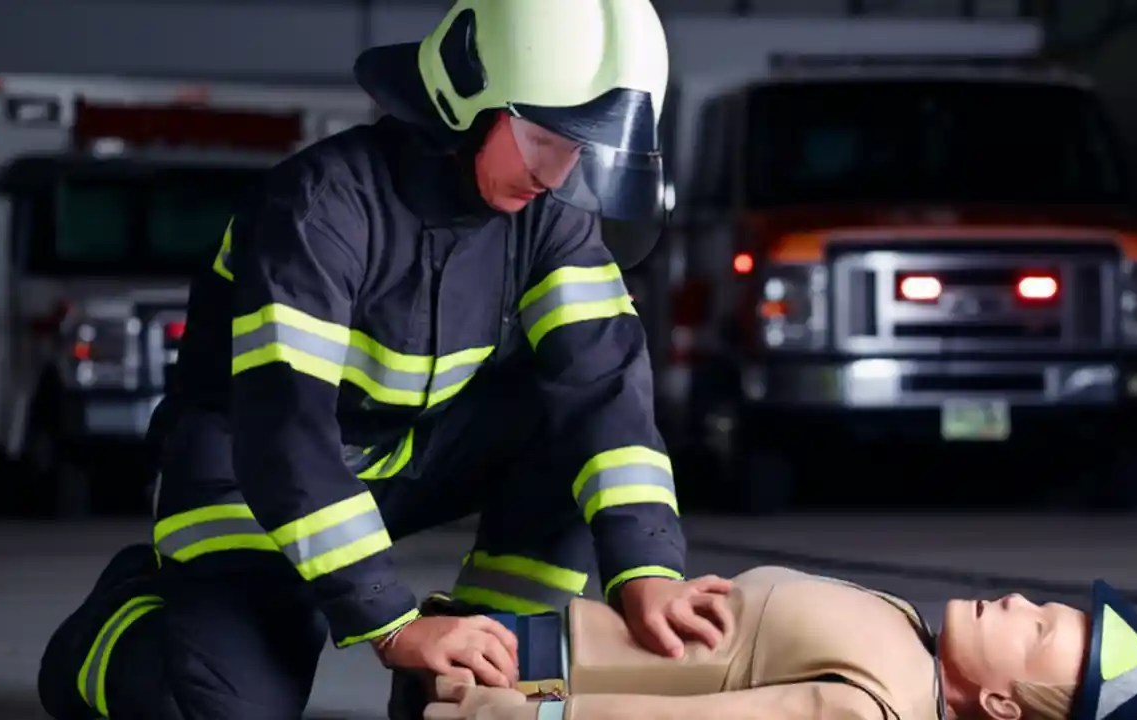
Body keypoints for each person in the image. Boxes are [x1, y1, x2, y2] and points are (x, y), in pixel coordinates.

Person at [36, 1, 732, 718]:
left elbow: (606, 391)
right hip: (247, 477)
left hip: (400, 458)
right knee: (225, 705)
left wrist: (648, 571)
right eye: (544, 139)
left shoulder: (549, 220)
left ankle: (484, 674)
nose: (556, 174)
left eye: (580, 149)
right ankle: (108, 636)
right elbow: (285, 430)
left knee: (567, 424)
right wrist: (391, 622)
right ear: (467, 100)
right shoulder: (317, 207)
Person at [420, 566, 1137, 720]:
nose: (1019, 603)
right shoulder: (907, 631)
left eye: (1036, 630)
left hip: (504, 683)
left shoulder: (873, 708)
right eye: (1042, 604)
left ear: (1001, 705)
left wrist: (522, 715)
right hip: (506, 642)